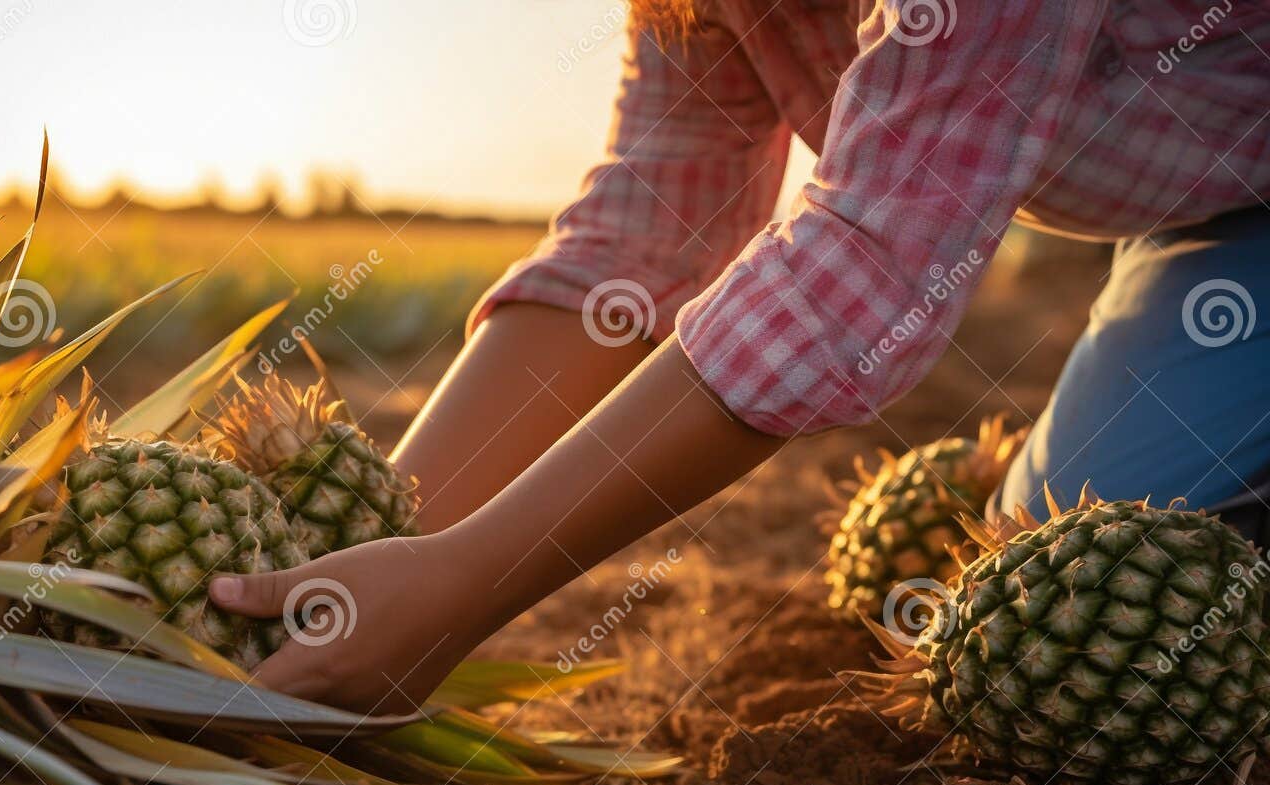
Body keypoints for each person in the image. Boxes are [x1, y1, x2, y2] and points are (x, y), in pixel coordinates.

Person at [209, 1, 1270, 713]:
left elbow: (863, 261)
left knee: (1093, 613)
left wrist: (465, 586)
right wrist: (385, 537)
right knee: (1050, 560)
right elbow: (635, 240)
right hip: (1206, 208)